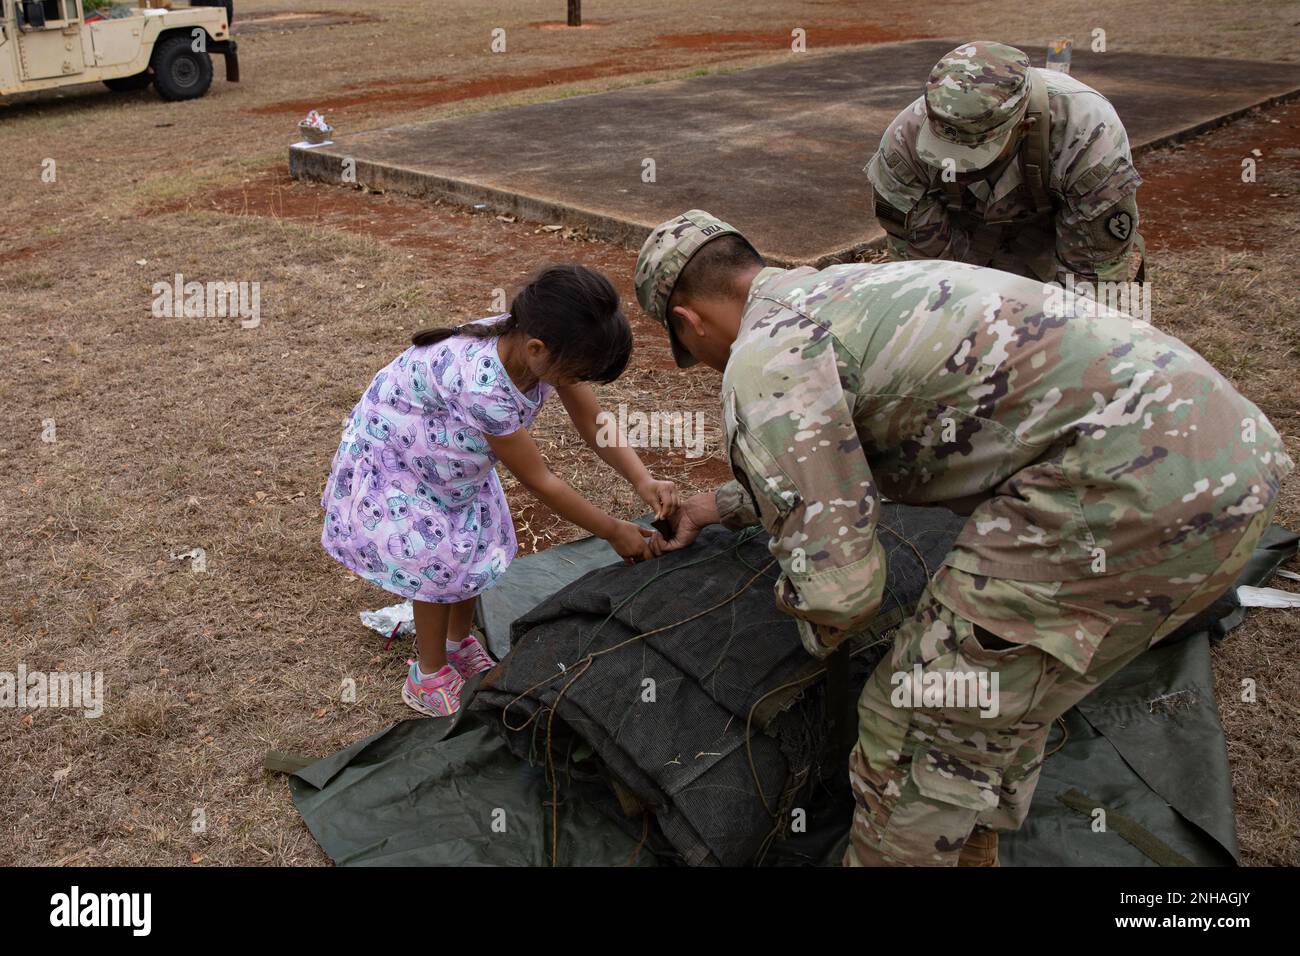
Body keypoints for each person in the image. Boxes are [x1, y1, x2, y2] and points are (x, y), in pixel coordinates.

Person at [636, 209, 1291, 866]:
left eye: (692, 353)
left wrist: (796, 614)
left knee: (918, 718)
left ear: (688, 321)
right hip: (1228, 464)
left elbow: (840, 594)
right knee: (991, 703)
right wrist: (718, 505)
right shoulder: (840, 293)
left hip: (1123, 491)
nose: (704, 364)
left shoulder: (764, 355)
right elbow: (834, 448)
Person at [322, 264, 677, 717]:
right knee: (435, 564)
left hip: (451, 463)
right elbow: (539, 479)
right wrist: (611, 530)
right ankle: (427, 675)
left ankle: (456, 643)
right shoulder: (485, 387)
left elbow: (593, 421)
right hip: (402, 464)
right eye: (577, 373)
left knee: (472, 544)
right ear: (537, 349)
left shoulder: (539, 344)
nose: (574, 382)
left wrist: (642, 477)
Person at [865, 40, 1145, 284]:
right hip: (961, 233)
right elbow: (920, 268)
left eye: (973, 153)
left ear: (1023, 129)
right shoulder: (904, 144)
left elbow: (1090, 279)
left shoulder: (1089, 138)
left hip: (1050, 236)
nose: (955, 164)